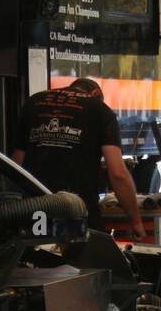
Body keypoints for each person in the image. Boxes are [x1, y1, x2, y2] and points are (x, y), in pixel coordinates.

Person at [12, 77, 145, 238]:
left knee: (38, 258)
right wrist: (135, 221)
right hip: (76, 210)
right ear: (95, 93)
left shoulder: (34, 102)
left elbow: (16, 164)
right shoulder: (100, 110)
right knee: (80, 259)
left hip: (33, 210)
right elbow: (118, 173)